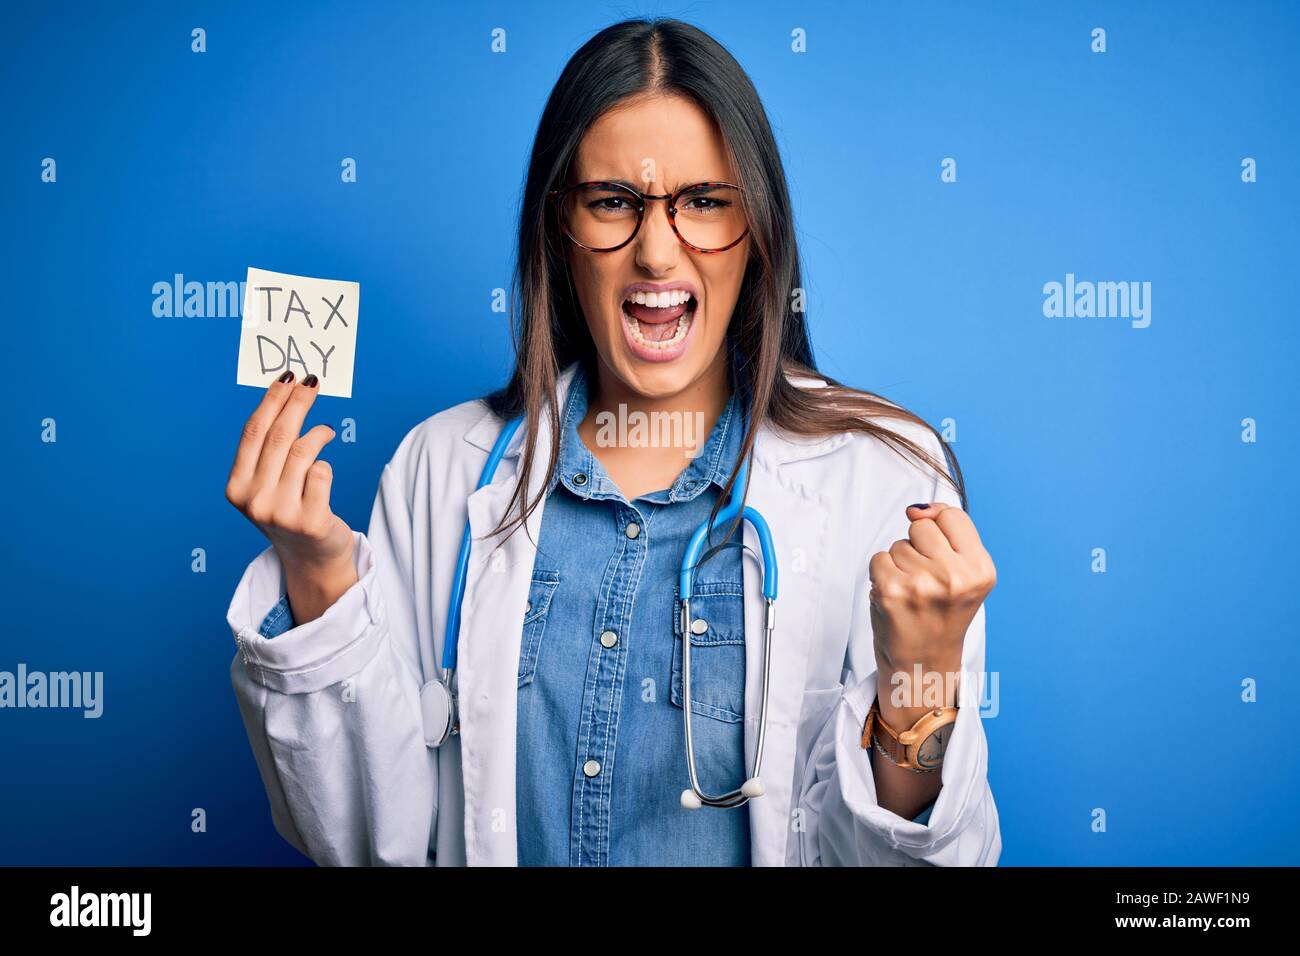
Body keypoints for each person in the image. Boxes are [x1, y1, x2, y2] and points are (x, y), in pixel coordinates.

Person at [224, 17, 1000, 866]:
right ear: (559, 228)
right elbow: (372, 844)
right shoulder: (441, 469)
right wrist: (318, 577)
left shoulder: (883, 478)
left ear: (761, 230)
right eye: (613, 204)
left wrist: (919, 688)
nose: (657, 253)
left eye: (704, 202)